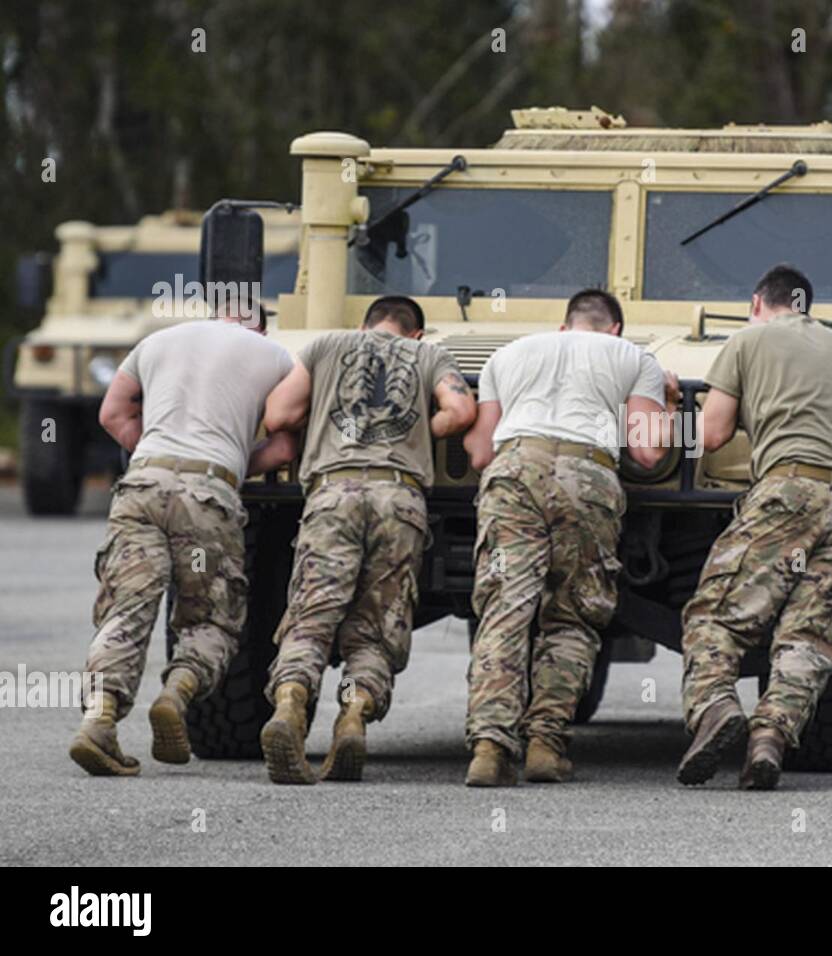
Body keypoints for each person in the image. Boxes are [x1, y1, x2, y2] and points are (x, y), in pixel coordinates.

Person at [460, 289, 678, 786]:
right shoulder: (635, 358)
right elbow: (647, 452)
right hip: (587, 475)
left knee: (505, 610)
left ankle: (490, 748)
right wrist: (667, 401)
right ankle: (545, 745)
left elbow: (478, 454)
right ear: (615, 329)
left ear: (564, 326)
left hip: (514, 470)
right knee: (573, 613)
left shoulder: (506, 354)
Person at [677, 264, 832, 790]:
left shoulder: (749, 339)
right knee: (809, 638)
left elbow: (714, 434)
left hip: (790, 491)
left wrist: (666, 414)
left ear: (755, 303)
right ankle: (769, 740)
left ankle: (716, 708)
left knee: (715, 616)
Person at [71, 302, 297, 776]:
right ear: (258, 324)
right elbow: (282, 441)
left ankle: (100, 720)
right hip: (206, 498)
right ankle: (177, 692)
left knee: (125, 609)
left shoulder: (154, 342)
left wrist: (156, 453)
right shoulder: (275, 355)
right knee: (209, 615)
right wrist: (230, 465)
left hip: (143, 487)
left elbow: (112, 415)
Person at [259, 295, 476, 784]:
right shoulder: (430, 356)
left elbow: (277, 416)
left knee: (312, 613)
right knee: (377, 622)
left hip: (333, 493)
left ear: (365, 324)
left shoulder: (326, 345)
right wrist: (420, 429)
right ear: (416, 333)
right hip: (398, 500)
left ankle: (292, 698)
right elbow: (461, 411)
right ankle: (355, 711)